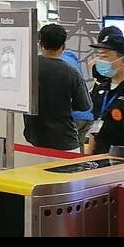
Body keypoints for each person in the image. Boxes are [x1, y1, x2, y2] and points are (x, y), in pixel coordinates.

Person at [24, 24, 91, 153]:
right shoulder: (72, 72)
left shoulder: (27, 68)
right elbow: (84, 106)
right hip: (65, 142)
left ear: (40, 44)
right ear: (63, 46)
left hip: (34, 140)